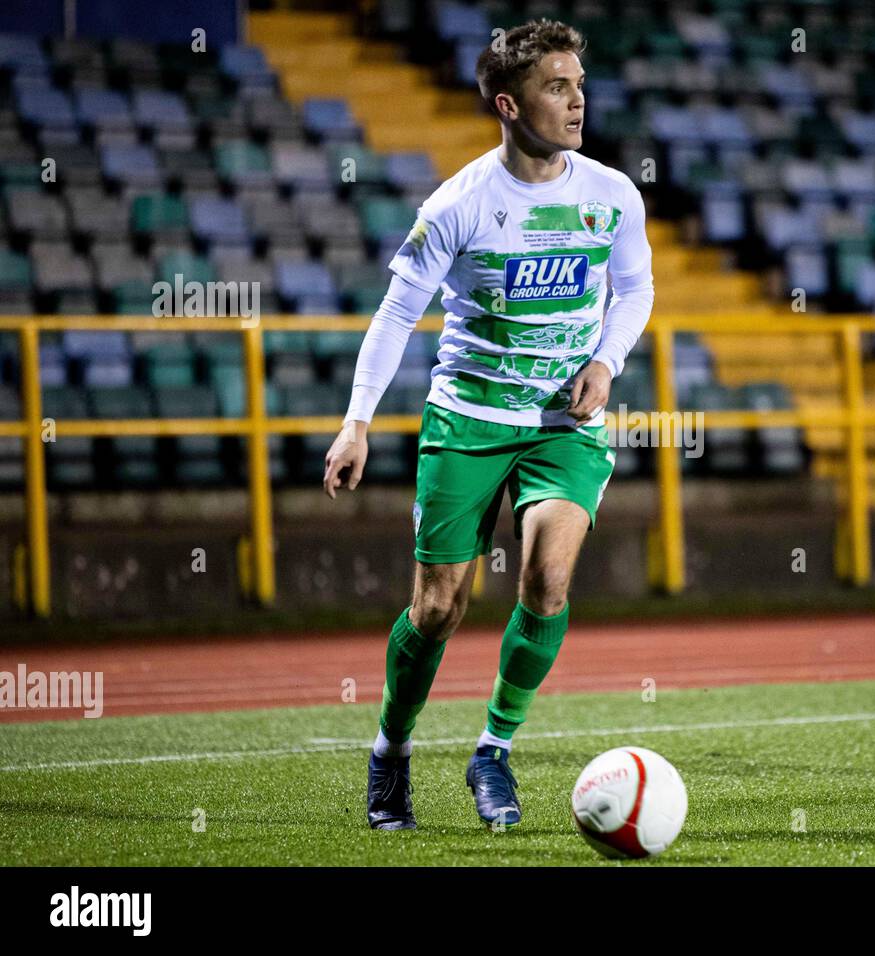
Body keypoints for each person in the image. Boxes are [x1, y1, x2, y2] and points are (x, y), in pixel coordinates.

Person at [322, 19, 653, 828]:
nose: (577, 102)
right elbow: (397, 314)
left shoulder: (611, 194)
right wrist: (356, 423)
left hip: (560, 426)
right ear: (508, 104)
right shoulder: (460, 204)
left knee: (546, 580)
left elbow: (635, 290)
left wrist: (605, 361)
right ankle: (391, 750)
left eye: (579, 84)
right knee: (439, 607)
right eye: (556, 87)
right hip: (468, 418)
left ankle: (492, 752)